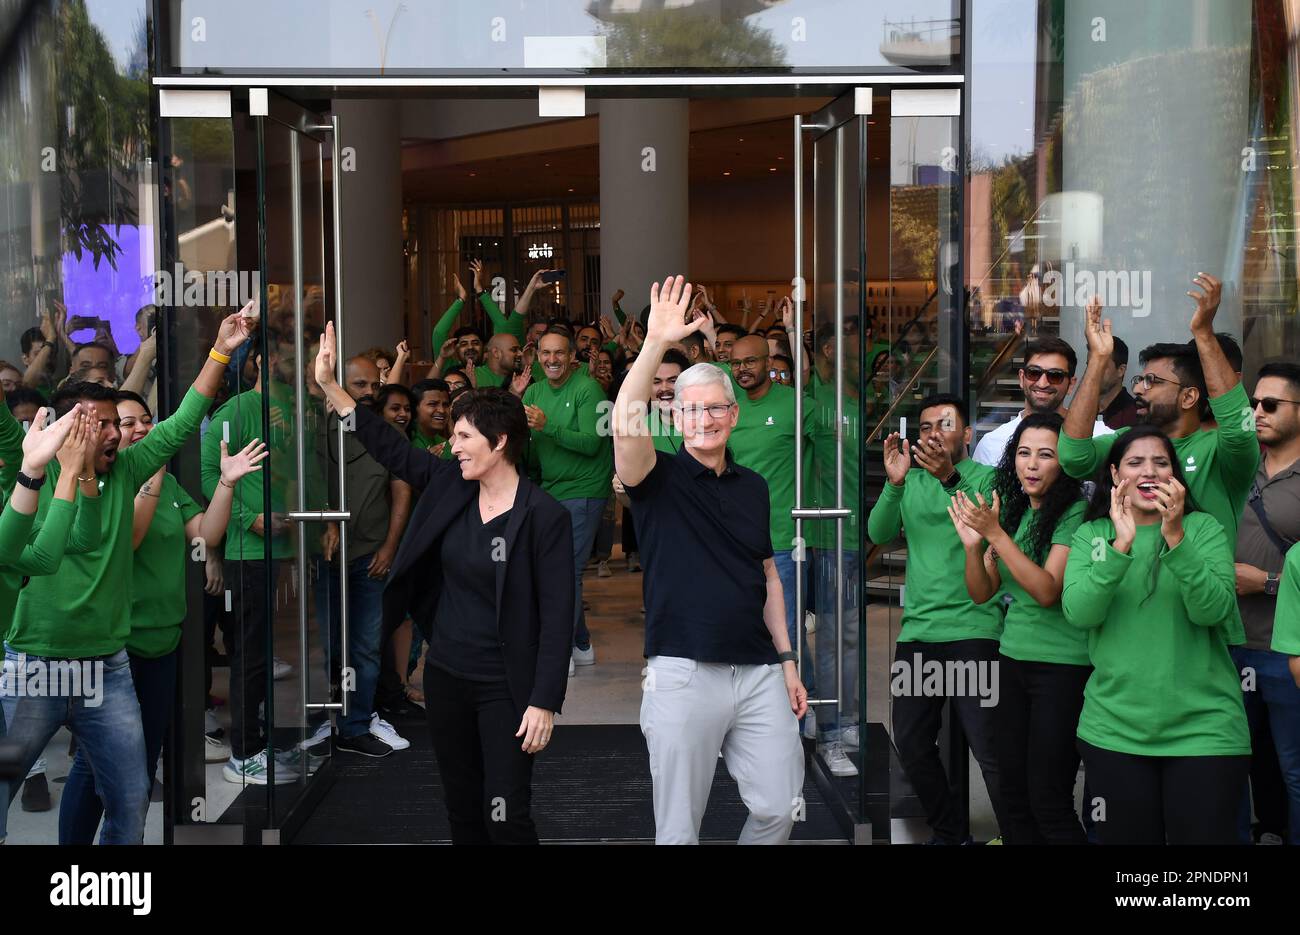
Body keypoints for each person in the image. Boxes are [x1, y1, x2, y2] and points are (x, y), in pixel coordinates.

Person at [313, 322, 573, 844]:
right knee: (460, 808)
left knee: (508, 814)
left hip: (507, 687)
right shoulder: (450, 484)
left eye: (463, 436)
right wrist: (331, 387)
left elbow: (559, 614)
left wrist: (544, 700)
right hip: (448, 676)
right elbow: (390, 448)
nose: (451, 446)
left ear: (499, 442)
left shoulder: (544, 516)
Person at [3, 307, 254, 843]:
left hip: (107, 667)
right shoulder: (32, 475)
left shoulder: (132, 468)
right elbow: (63, 545)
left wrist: (221, 350)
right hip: (35, 665)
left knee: (130, 796)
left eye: (119, 423)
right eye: (104, 424)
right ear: (70, 428)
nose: (118, 433)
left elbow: (185, 419)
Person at [613, 275, 808, 845]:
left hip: (759, 671)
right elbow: (627, 419)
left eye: (717, 407)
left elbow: (767, 573)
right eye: (691, 409)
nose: (705, 418)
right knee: (678, 831)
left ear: (734, 414)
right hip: (682, 669)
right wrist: (654, 343)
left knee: (780, 806)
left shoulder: (753, 487)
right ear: (673, 417)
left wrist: (789, 663)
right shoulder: (654, 476)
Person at [59, 391, 267, 843]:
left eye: (146, 422)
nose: (137, 430)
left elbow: (206, 534)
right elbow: (132, 537)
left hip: (163, 641)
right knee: (97, 767)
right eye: (127, 422)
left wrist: (227, 483)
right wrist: (153, 471)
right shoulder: (109, 481)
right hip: (117, 646)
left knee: (143, 761)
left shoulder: (168, 483)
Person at [1062, 427, 1248, 844]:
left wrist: (1175, 537)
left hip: (1205, 732)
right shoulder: (1092, 536)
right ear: (1114, 474)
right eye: (1135, 462)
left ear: (1176, 476)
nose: (1150, 472)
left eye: (1161, 463)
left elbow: (1213, 610)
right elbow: (1080, 612)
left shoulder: (1202, 529)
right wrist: (1120, 547)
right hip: (1115, 730)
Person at [869, 394, 1009, 844]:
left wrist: (949, 478)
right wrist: (893, 484)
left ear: (967, 435)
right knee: (910, 743)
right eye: (926, 426)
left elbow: (978, 518)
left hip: (975, 629)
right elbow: (877, 533)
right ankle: (951, 833)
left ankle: (1018, 834)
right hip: (920, 633)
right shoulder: (908, 482)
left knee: (989, 749)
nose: (933, 434)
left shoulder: (988, 478)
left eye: (945, 425)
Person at [948, 413, 1089, 844]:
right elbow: (981, 591)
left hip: (1062, 668)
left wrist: (995, 535)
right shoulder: (1011, 509)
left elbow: (1048, 590)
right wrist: (975, 547)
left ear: (1064, 462)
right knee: (1010, 790)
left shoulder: (1076, 511)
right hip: (1012, 660)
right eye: (1023, 453)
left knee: (1048, 796)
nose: (1031, 464)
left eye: (1045, 455)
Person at [1061, 277, 1259, 544]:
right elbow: (1074, 457)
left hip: (1198, 583)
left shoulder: (1220, 452)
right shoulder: (1127, 442)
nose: (1140, 389)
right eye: (1140, 380)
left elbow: (1239, 425)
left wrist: (1203, 333)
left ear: (1188, 397)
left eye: (1152, 381)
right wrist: (1097, 360)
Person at [201, 326, 297, 785]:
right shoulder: (236, 409)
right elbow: (206, 473)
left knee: (263, 653)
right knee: (249, 655)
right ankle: (245, 752)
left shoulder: (290, 412)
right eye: (282, 358)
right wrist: (248, 519)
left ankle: (257, 738)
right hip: (246, 551)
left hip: (279, 551)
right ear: (261, 362)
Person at [726, 333, 820, 761]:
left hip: (782, 540)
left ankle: (802, 716)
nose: (743, 368)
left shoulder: (795, 403)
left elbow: (835, 445)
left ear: (769, 362)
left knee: (787, 636)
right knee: (740, 632)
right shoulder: (724, 407)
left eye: (750, 361)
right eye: (735, 362)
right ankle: (750, 723)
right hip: (728, 541)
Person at [1231, 361, 1300, 843]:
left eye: (1271, 404)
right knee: (1231, 767)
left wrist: (1269, 583)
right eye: (1254, 403)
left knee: (1295, 772)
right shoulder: (1237, 467)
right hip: (1230, 645)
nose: (1258, 411)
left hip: (1289, 652)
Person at [522, 327, 613, 670]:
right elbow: (529, 447)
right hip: (548, 490)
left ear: (572, 356)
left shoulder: (589, 389)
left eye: (559, 353)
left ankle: (560, 651)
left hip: (584, 490)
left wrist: (548, 427)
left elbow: (593, 443)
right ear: (537, 356)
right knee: (555, 570)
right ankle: (581, 643)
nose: (552, 359)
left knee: (566, 571)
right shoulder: (533, 390)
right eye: (546, 353)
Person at [972, 337, 1112, 466]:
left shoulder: (1100, 435)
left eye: (1055, 376)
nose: (1043, 383)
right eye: (1034, 373)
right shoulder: (991, 444)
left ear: (1071, 384)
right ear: (1021, 378)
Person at [1097, 336, 1139, 429]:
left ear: (1120, 370)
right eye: (1091, 365)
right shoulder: (1081, 411)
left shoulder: (1133, 416)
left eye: (1102, 366)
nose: (1093, 371)